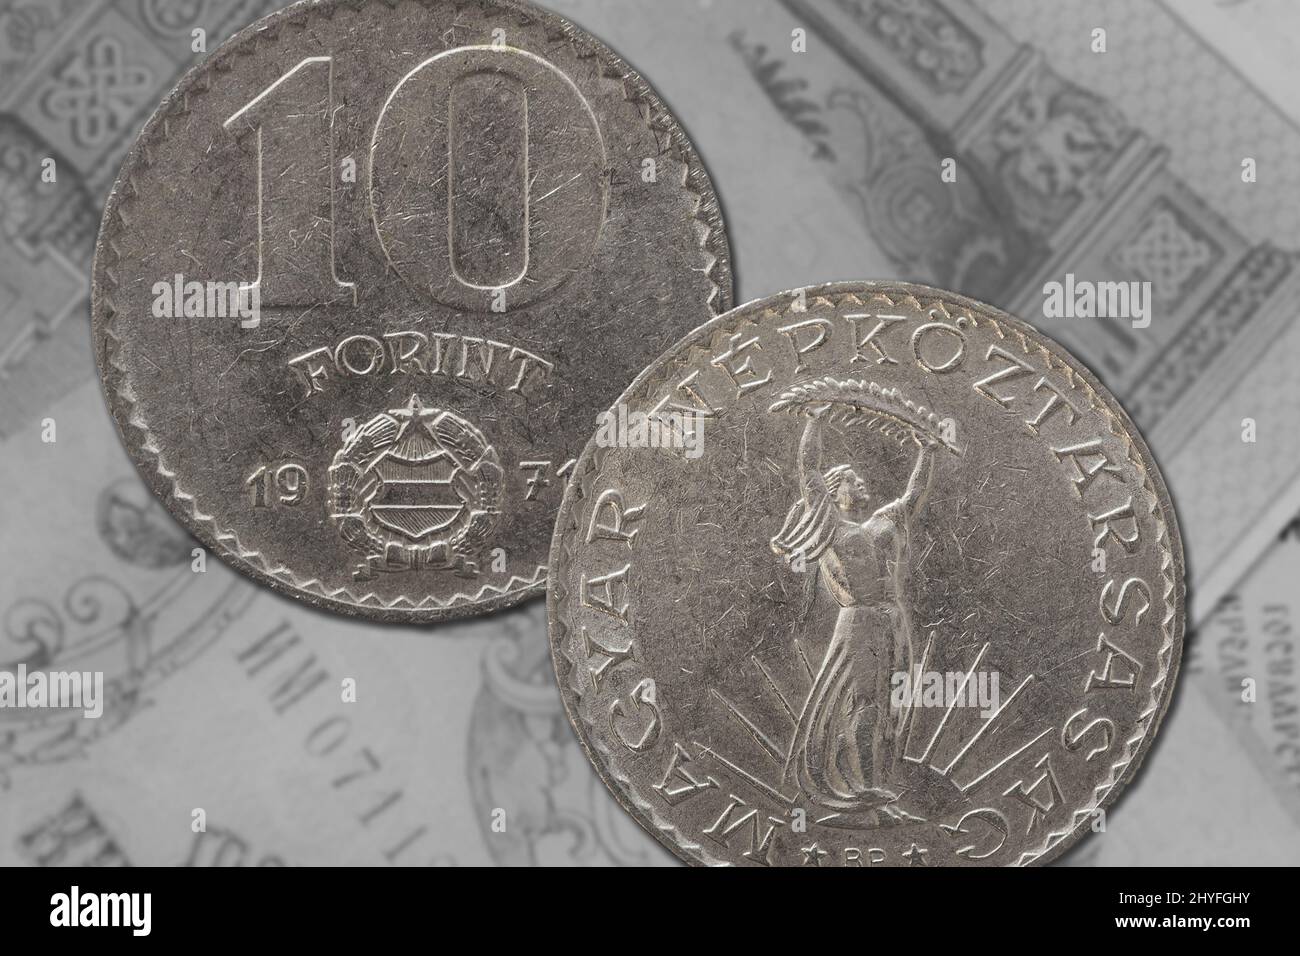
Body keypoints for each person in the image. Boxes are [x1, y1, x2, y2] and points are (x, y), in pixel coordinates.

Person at [771, 410, 937, 812]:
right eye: (853, 480)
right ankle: (864, 786)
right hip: (860, 620)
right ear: (835, 491)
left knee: (891, 704)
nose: (863, 484)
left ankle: (879, 775)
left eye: (862, 480)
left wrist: (927, 450)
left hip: (893, 620)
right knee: (864, 701)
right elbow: (808, 467)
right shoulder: (829, 525)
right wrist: (813, 419)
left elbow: (915, 494)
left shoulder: (885, 520)